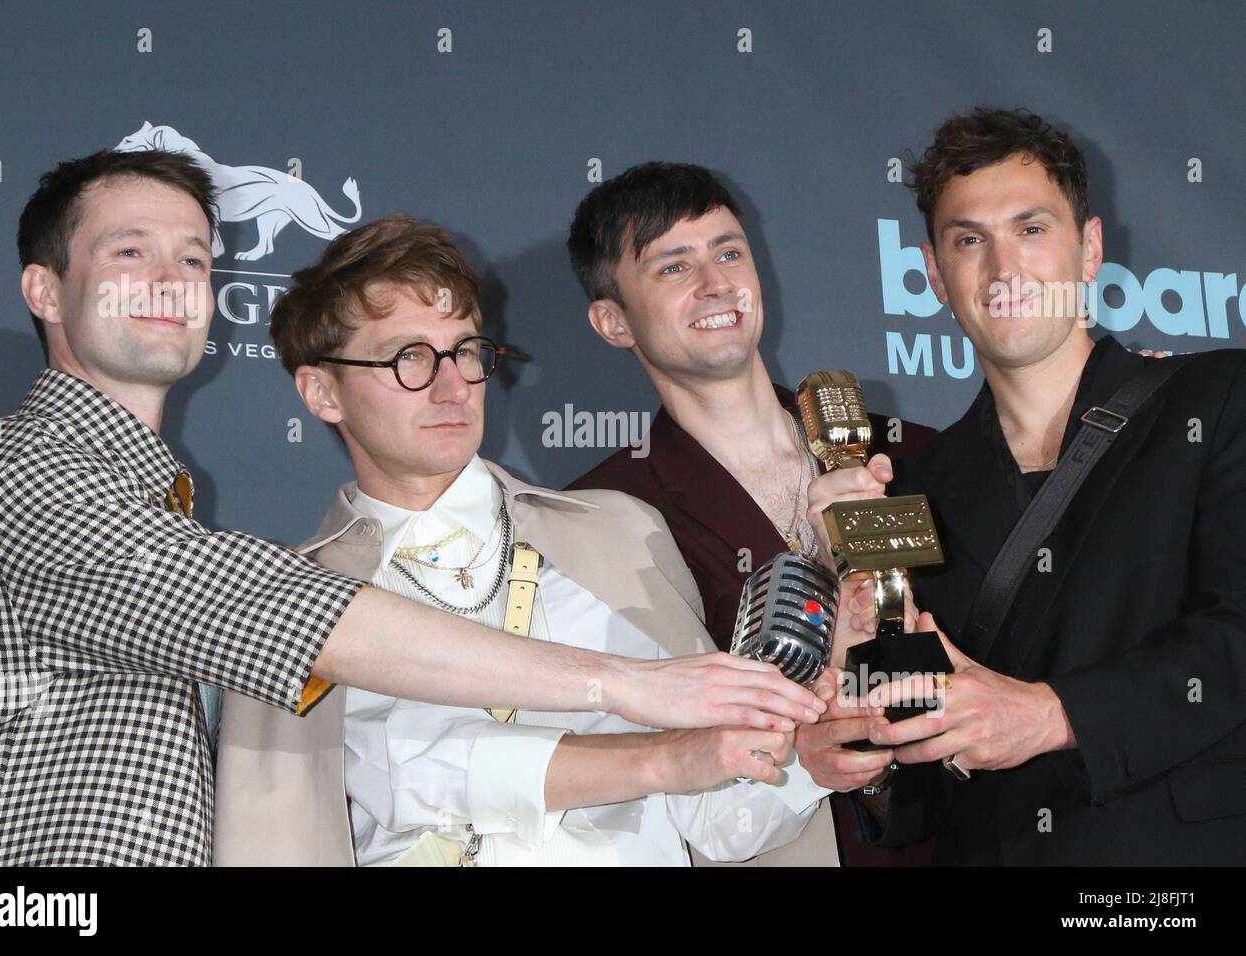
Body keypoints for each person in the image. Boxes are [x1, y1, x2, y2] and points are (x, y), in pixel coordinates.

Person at [0, 150, 823, 866]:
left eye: (195, 259)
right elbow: (319, 652)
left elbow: (727, 806)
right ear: (45, 291)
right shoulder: (26, 472)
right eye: (128, 253)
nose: (170, 280)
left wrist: (804, 739)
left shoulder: (619, 529)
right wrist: (634, 698)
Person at [214, 214, 826, 865]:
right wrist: (661, 755)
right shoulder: (287, 599)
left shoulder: (619, 532)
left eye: (466, 351)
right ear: (321, 391)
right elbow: (417, 768)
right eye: (409, 358)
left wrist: (812, 755)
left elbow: (720, 819)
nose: (452, 386)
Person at [796, 107, 1246, 864]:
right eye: (970, 240)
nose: (1004, 270)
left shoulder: (1218, 398)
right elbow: (918, 785)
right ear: (936, 274)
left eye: (1031, 229)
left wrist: (1051, 715)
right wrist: (856, 743)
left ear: (1090, 248)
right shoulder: (905, 490)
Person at [565, 162, 936, 866]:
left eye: (729, 252)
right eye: (674, 268)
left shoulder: (907, 455)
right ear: (614, 320)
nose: (716, 285)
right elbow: (653, 771)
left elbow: (967, 678)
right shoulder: (601, 516)